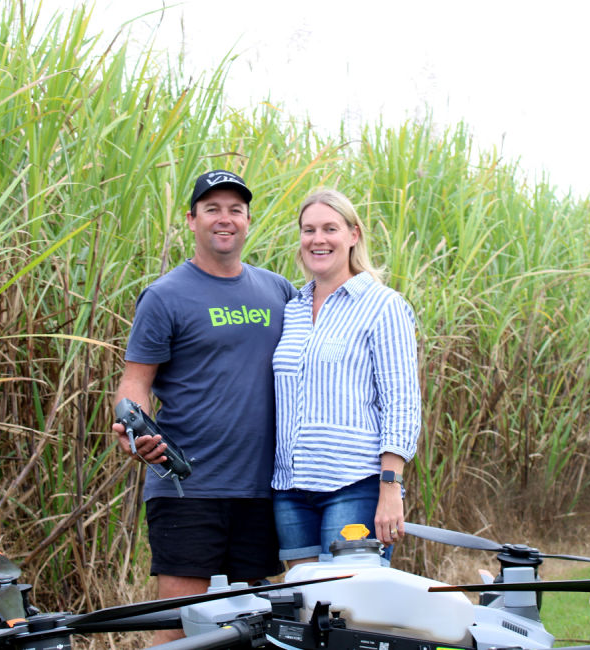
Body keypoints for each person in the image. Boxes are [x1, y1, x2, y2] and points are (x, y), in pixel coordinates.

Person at [112, 169, 295, 643]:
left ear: (248, 221)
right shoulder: (165, 296)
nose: (225, 219)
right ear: (191, 220)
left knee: (251, 630)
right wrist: (134, 431)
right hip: (187, 489)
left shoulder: (278, 291)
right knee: (181, 627)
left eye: (235, 210)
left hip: (261, 490)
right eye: (212, 209)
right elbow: (134, 383)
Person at [271, 188, 421, 568]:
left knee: (347, 613)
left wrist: (391, 488)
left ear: (353, 235)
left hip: (352, 486)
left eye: (329, 228)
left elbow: (401, 401)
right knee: (303, 612)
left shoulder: (383, 305)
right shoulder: (292, 309)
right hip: (290, 489)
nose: (317, 240)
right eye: (308, 230)